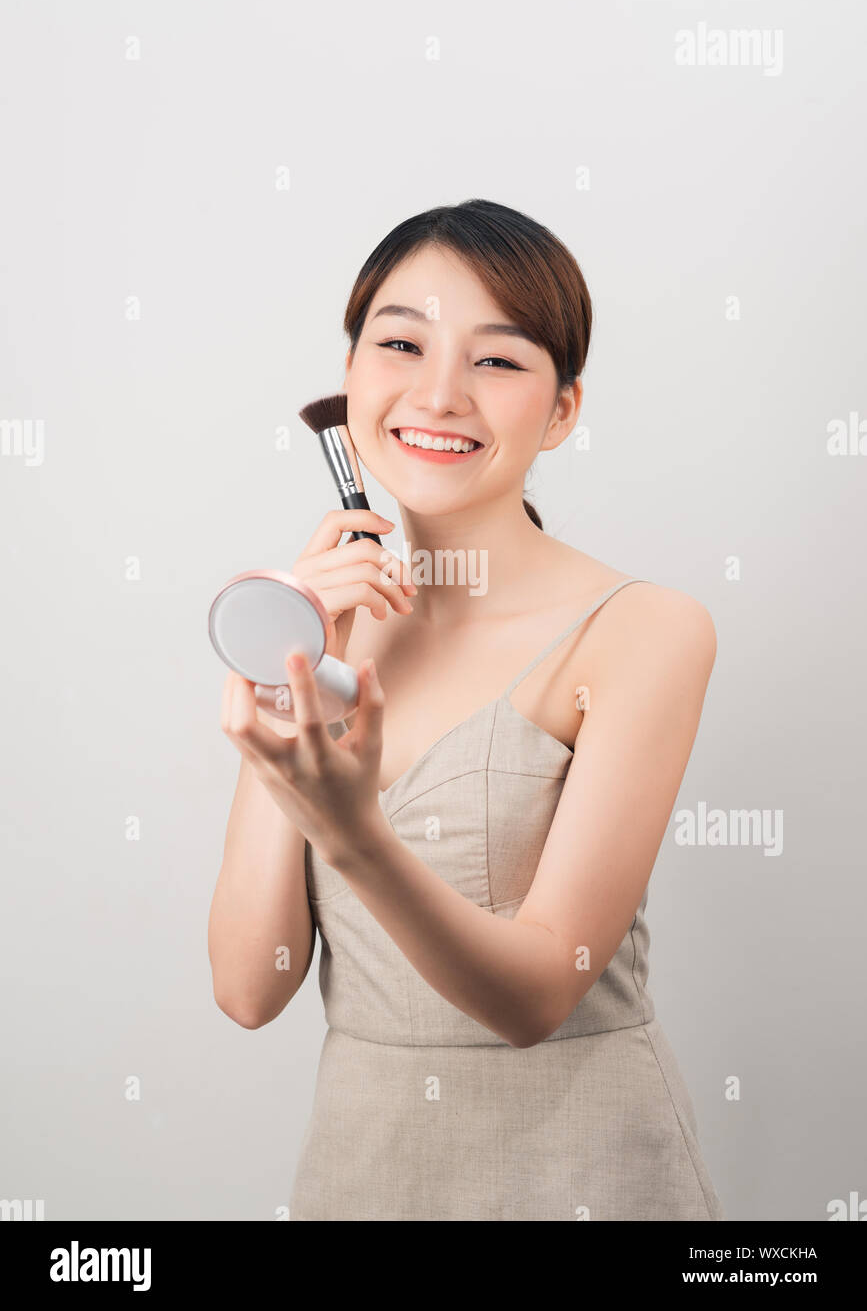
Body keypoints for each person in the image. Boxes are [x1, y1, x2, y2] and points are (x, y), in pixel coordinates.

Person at [208, 198, 726, 1221]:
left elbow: (537, 995)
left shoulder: (646, 629)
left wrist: (356, 835)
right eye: (400, 343)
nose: (439, 392)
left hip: (584, 1177)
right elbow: (248, 988)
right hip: (363, 1177)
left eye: (496, 360)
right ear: (351, 377)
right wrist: (299, 655)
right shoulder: (314, 632)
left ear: (564, 411)